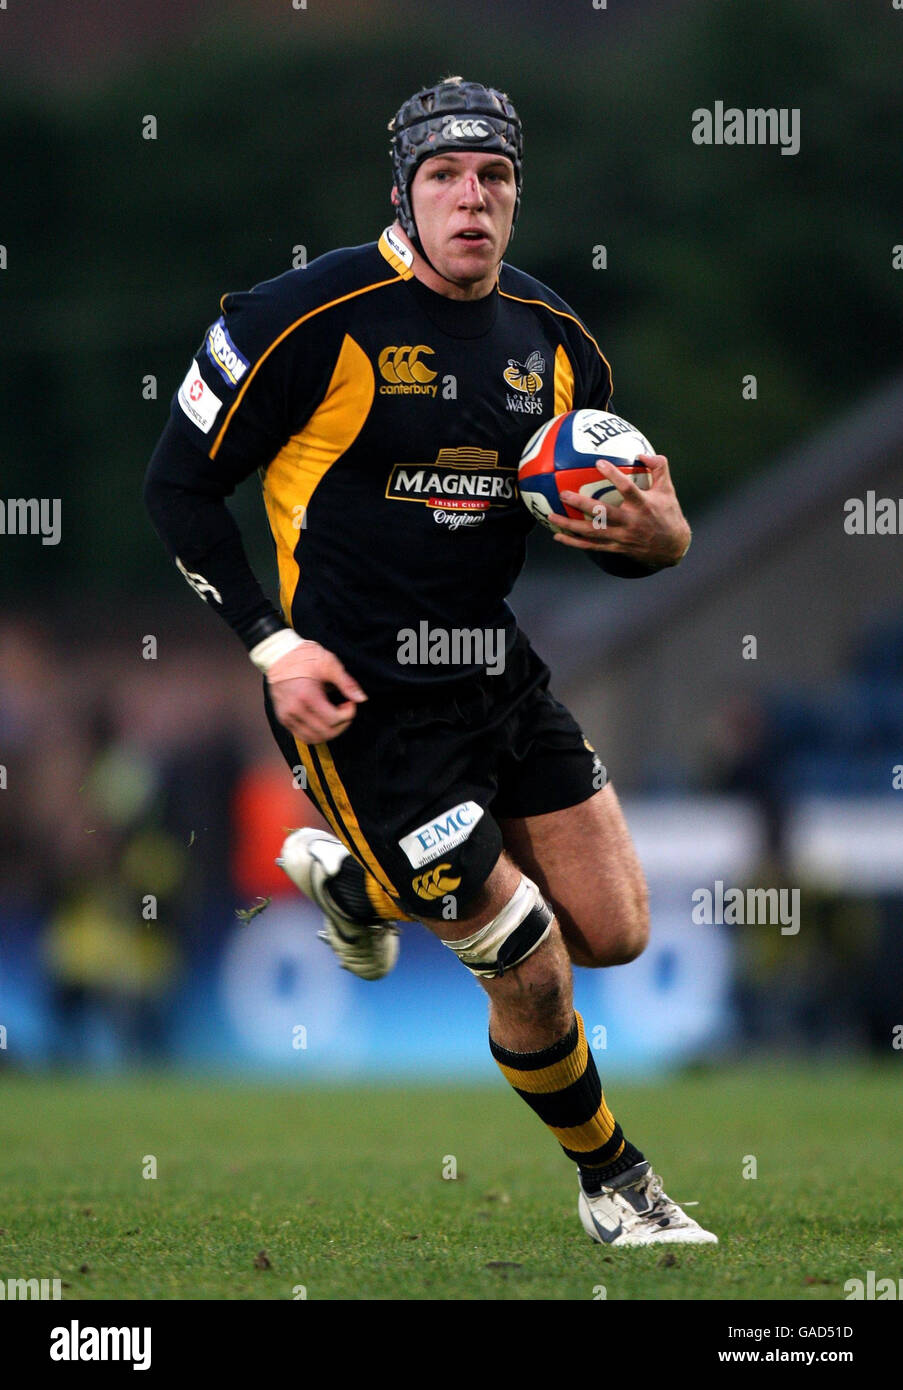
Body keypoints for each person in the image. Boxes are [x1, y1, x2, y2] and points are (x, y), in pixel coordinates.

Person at [144, 76, 716, 1247]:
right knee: (533, 962)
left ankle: (362, 883)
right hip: (358, 705)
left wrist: (665, 541)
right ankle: (618, 1186)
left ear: (517, 194)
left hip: (495, 674)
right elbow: (176, 488)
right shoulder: (304, 317)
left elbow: (617, 529)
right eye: (446, 176)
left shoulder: (555, 343)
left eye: (494, 177)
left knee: (617, 932)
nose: (473, 200)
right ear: (402, 189)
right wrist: (272, 640)